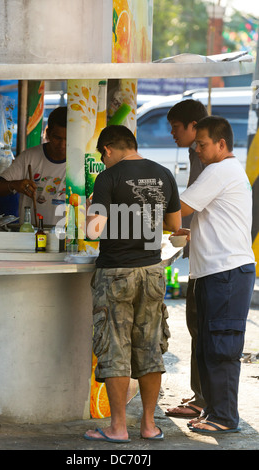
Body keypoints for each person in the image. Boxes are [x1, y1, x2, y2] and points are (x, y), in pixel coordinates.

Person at [84, 125, 181, 443]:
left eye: (102, 155)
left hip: (116, 274)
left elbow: (94, 230)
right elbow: (174, 225)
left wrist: (93, 208)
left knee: (115, 350)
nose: (103, 161)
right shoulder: (164, 173)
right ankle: (150, 426)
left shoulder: (108, 178)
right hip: (152, 270)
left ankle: (118, 427)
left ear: (108, 149)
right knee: (150, 348)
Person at [173, 116, 255, 433]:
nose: (197, 148)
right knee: (209, 345)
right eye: (196, 143)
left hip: (227, 272)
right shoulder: (225, 170)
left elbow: (179, 205)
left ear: (221, 144)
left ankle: (224, 417)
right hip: (215, 271)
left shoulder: (219, 170)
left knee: (221, 348)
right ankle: (213, 410)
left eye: (202, 143)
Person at [165, 99, 208, 419]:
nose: (172, 134)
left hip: (212, 261)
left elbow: (186, 205)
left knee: (203, 328)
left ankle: (203, 399)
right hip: (200, 254)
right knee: (198, 327)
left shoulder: (209, 159)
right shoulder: (198, 155)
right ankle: (201, 396)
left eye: (176, 128)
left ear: (194, 127)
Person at [0, 106, 67, 226]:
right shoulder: (29, 157)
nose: (62, 145)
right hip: (32, 235)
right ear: (48, 134)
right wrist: (15, 185)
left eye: (67, 139)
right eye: (57, 138)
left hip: (69, 238)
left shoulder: (81, 162)